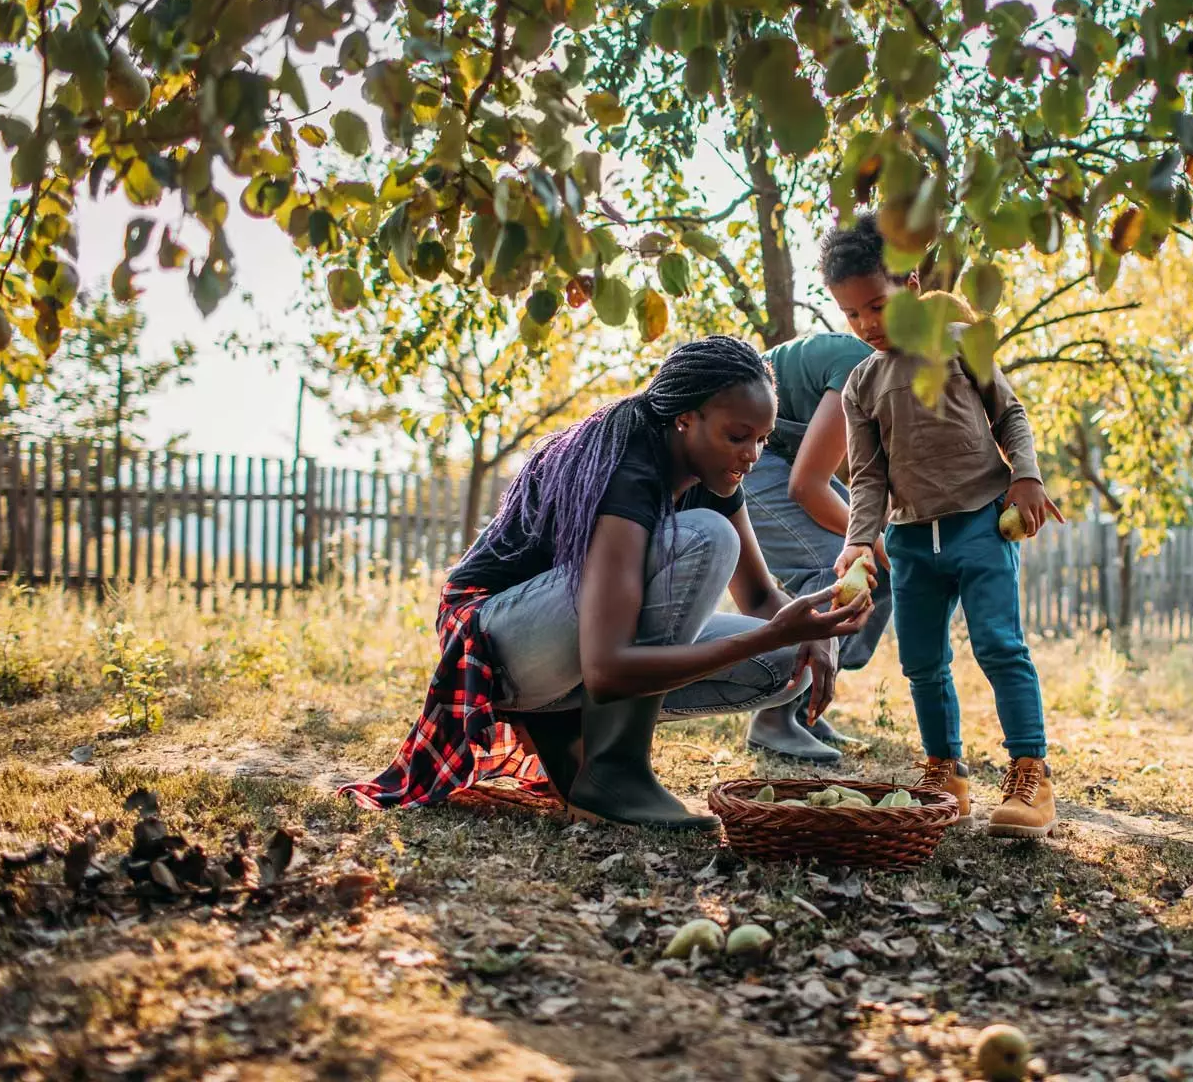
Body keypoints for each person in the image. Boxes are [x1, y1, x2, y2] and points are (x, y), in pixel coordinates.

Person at [341, 336, 872, 830]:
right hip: (493, 640)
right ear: (685, 419)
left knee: (786, 669)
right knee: (707, 538)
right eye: (738, 437)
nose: (752, 457)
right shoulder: (629, 466)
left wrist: (812, 631)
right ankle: (614, 770)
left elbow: (758, 597)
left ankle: (565, 729)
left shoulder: (713, 473)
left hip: (559, 641)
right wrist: (771, 632)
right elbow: (607, 668)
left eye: (761, 440)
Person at [824, 215, 1065, 839]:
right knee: (921, 663)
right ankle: (944, 773)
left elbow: (1010, 415)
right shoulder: (861, 384)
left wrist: (1027, 476)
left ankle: (1030, 773)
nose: (867, 325)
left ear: (908, 282)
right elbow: (868, 478)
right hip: (909, 543)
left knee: (999, 646)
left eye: (877, 305)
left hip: (980, 526)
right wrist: (857, 541)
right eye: (851, 315)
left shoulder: (959, 339)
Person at [740, 330, 896, 763]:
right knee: (838, 571)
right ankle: (775, 717)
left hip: (783, 458)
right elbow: (806, 487)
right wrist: (869, 541)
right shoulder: (859, 368)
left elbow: (866, 477)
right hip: (746, 454)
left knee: (876, 573)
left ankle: (807, 708)